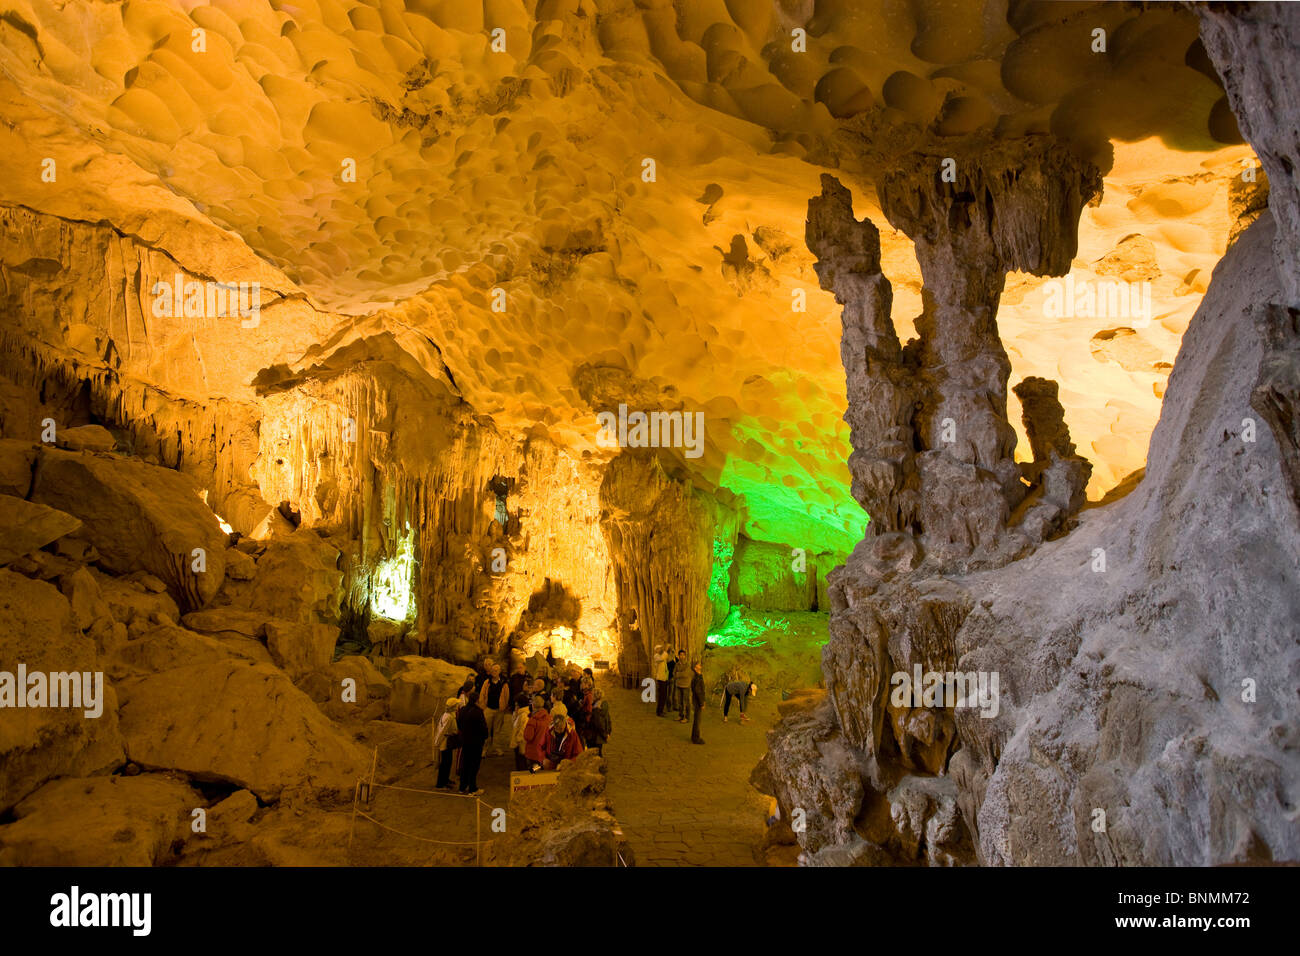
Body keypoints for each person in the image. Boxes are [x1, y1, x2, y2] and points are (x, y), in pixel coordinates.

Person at [457, 694, 489, 795]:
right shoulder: (478, 712)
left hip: (465, 742)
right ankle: (472, 788)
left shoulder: (462, 710)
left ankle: (462, 787)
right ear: (476, 701)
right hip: (476, 743)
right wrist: (484, 737)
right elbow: (483, 728)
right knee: (473, 765)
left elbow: (459, 724)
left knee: (465, 764)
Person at [479, 659, 510, 756]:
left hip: (499, 710)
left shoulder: (504, 683)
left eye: (496, 670)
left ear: (499, 671)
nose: (494, 672)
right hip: (488, 709)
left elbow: (506, 696)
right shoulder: (487, 682)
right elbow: (482, 695)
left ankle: (497, 748)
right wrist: (483, 706)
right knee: (486, 730)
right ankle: (484, 749)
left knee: (497, 731)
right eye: (493, 670)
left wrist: (504, 706)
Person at [433, 697, 462, 790]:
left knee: (448, 762)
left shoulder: (447, 714)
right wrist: (437, 743)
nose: (458, 706)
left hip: (446, 741)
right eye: (456, 705)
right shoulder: (449, 717)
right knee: (445, 763)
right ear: (453, 706)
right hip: (445, 742)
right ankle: (440, 784)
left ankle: (445, 780)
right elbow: (442, 730)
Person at [523, 694, 551, 770]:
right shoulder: (549, 718)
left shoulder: (533, 720)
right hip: (545, 753)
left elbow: (528, 737)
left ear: (533, 705)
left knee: (532, 775)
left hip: (533, 753)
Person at [509, 693, 532, 771]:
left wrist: (518, 740)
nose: (515, 707)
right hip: (518, 743)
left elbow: (523, 730)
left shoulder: (524, 715)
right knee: (519, 762)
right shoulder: (519, 714)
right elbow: (514, 724)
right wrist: (515, 713)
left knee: (521, 764)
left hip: (520, 744)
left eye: (516, 705)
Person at [588, 688, 612, 756]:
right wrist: (608, 732)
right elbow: (608, 720)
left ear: (595, 697)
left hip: (595, 736)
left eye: (592, 695)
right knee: (598, 752)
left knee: (595, 755)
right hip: (600, 737)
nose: (591, 697)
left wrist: (604, 734)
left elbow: (598, 724)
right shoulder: (604, 707)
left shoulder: (596, 710)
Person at [689, 659, 706, 745]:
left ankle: (694, 736)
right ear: (695, 668)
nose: (700, 666)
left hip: (697, 700)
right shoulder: (697, 677)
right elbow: (698, 690)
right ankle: (696, 738)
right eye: (699, 665)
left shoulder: (698, 676)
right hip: (697, 701)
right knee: (697, 720)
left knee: (697, 719)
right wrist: (702, 702)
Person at [673, 649, 691, 723]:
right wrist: (679, 674)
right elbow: (674, 674)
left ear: (685, 656)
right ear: (678, 656)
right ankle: (680, 715)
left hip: (686, 685)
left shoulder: (687, 664)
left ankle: (687, 717)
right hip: (679, 685)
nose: (682, 656)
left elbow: (685, 674)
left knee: (686, 702)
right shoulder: (677, 664)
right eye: (680, 655)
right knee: (680, 702)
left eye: (683, 655)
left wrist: (678, 674)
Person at [652, 644, 670, 717]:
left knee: (664, 695)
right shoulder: (656, 656)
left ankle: (661, 710)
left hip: (664, 678)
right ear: (656, 650)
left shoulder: (661, 656)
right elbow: (663, 657)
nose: (660, 649)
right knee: (661, 696)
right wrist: (666, 649)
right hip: (660, 679)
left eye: (661, 648)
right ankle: (659, 712)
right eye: (659, 649)